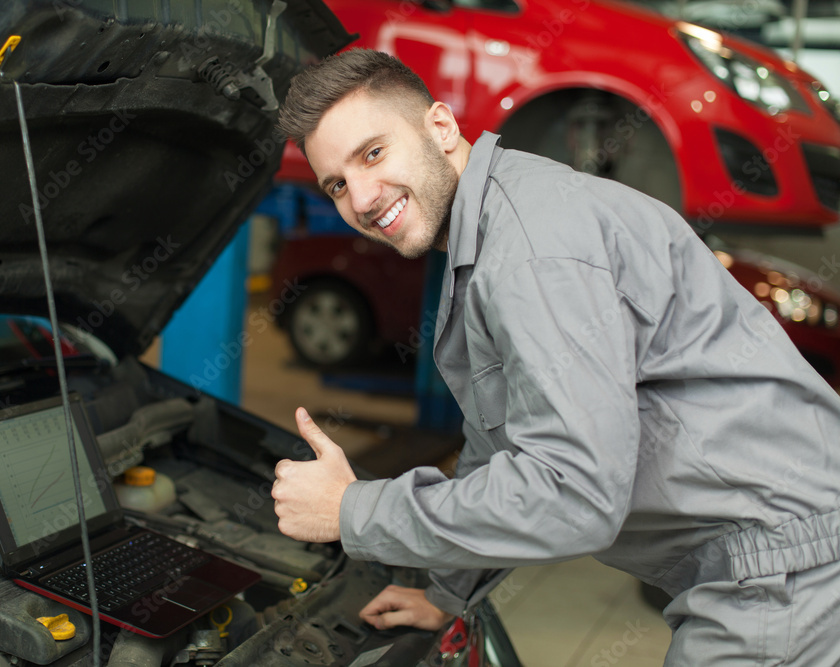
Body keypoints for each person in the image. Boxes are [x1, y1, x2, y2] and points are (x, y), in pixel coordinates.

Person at [269, 48, 840, 664]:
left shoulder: (531, 252)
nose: (360, 197)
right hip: (769, 555)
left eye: (372, 153)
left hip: (785, 569)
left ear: (440, 126)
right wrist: (451, 591)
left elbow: (574, 493)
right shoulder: (498, 230)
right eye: (336, 184)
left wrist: (353, 509)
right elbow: (503, 448)